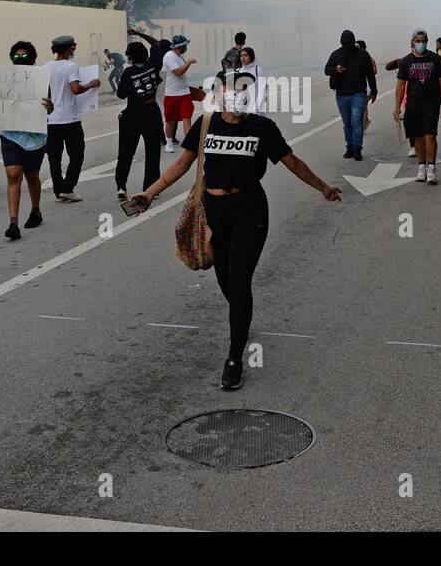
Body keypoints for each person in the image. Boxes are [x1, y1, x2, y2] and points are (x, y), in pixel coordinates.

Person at [130, 69, 341, 391]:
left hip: (249, 210)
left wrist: (323, 187)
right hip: (213, 212)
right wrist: (150, 192)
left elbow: (292, 162)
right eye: (232, 92)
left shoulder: (262, 128)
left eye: (245, 93)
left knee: (240, 282)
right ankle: (241, 317)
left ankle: (233, 357)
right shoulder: (205, 125)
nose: (238, 98)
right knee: (226, 280)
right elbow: (181, 164)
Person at [0, 41, 54, 240]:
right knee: (14, 175)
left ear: (32, 58)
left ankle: (35, 211)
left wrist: (50, 106)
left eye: (24, 56)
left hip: (34, 138)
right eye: (16, 56)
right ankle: (13, 222)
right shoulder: (3, 78)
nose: (20, 59)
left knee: (32, 176)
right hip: (11, 135)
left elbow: (49, 108)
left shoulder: (40, 79)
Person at [46, 35, 99, 203]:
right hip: (70, 119)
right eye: (73, 48)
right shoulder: (71, 66)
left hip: (51, 120)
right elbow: (75, 89)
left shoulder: (46, 67)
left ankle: (58, 190)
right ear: (69, 49)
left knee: (54, 157)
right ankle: (67, 188)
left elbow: (45, 93)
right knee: (77, 155)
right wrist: (91, 84)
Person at [393, 29, 441, 184]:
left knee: (430, 135)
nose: (421, 43)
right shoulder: (406, 61)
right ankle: (421, 167)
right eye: (418, 41)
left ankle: (431, 168)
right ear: (412, 42)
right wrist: (397, 107)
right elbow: (400, 85)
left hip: (431, 103)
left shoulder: (436, 59)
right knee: (418, 137)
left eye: (423, 40)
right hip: (413, 104)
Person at [115, 38, 166, 200]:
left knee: (125, 151)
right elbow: (157, 44)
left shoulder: (128, 73)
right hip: (151, 111)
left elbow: (121, 94)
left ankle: (121, 186)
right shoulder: (154, 65)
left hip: (133, 113)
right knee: (153, 150)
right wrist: (138, 33)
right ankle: (151, 187)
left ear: (131, 56)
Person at [325, 29, 378, 161]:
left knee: (356, 121)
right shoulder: (336, 54)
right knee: (347, 122)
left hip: (358, 94)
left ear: (354, 42)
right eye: (345, 44)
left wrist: (374, 91)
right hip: (341, 95)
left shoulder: (363, 55)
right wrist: (336, 70)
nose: (347, 47)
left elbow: (370, 74)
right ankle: (349, 146)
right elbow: (326, 70)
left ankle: (357, 148)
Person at [161, 34, 197, 153]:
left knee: (187, 118)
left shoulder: (180, 56)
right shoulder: (169, 56)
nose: (186, 47)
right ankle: (169, 143)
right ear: (181, 46)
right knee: (170, 120)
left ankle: (189, 143)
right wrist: (189, 63)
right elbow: (178, 72)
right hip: (171, 94)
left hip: (184, 93)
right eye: (185, 45)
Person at [356, 39, 377, 131]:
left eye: (357, 47)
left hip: (367, 85)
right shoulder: (355, 58)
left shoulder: (368, 58)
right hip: (359, 85)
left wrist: (366, 72)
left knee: (364, 107)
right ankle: (365, 121)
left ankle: (362, 128)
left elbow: (374, 71)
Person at [238, 46, 266, 114]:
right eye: (241, 56)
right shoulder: (238, 71)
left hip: (256, 108)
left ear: (251, 56)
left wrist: (256, 108)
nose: (243, 57)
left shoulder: (258, 70)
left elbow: (262, 90)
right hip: (242, 109)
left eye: (245, 55)